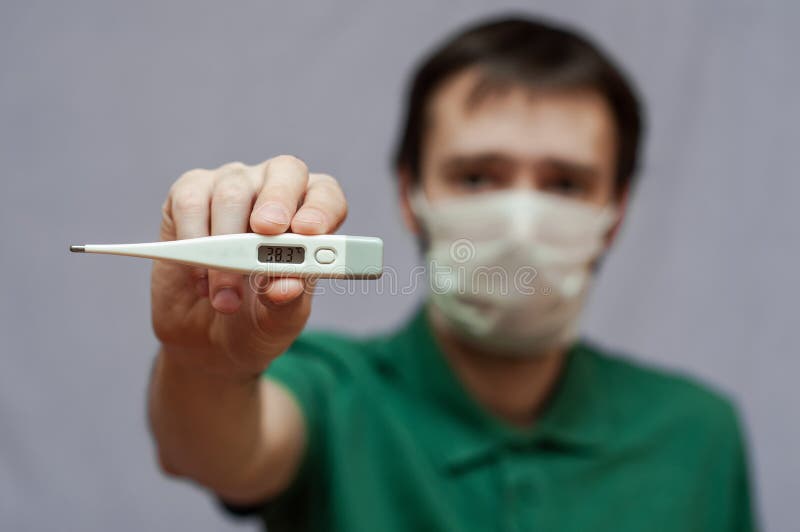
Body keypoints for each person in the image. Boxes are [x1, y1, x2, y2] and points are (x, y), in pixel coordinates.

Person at [147, 16, 756, 532]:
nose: (521, 224)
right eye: (477, 176)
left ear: (615, 211)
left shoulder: (697, 435)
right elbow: (212, 450)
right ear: (411, 193)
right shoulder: (331, 394)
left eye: (566, 183)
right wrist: (207, 362)